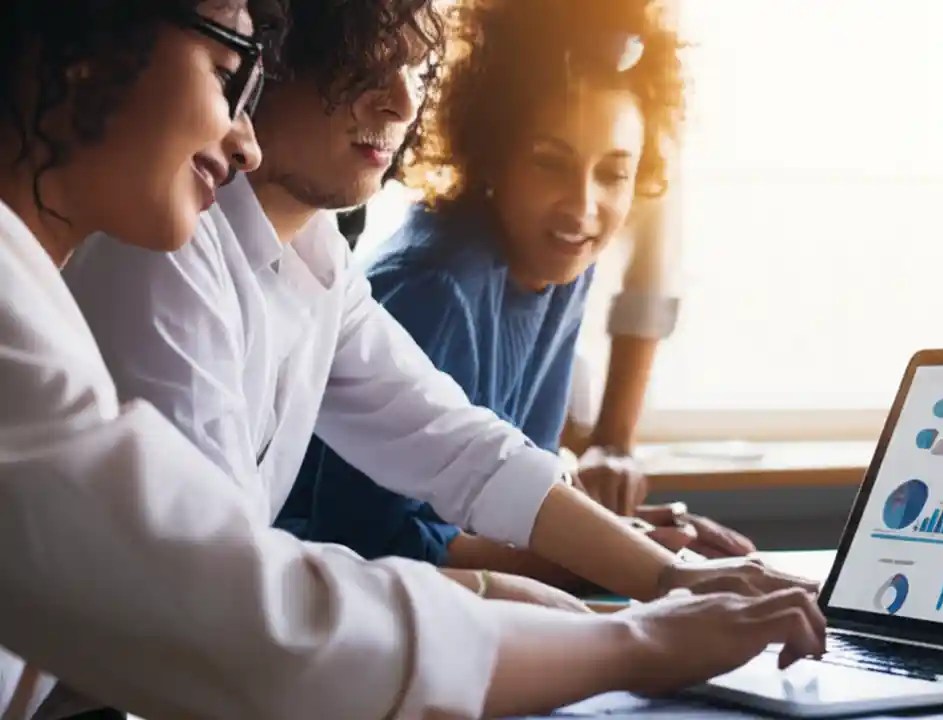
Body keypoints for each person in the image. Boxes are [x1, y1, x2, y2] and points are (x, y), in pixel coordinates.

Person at [1, 1, 826, 718]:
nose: (239, 134)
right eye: (228, 69)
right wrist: (626, 636)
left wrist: (667, 579)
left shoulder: (314, 254)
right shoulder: (131, 265)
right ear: (85, 49)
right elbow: (234, 615)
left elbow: (455, 440)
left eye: (417, 70)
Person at [278, 0, 753, 591]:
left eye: (613, 174)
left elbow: (507, 486)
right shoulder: (436, 286)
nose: (582, 209)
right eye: (550, 164)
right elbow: (368, 542)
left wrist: (623, 537)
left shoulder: (561, 266)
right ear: (493, 155)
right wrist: (618, 562)